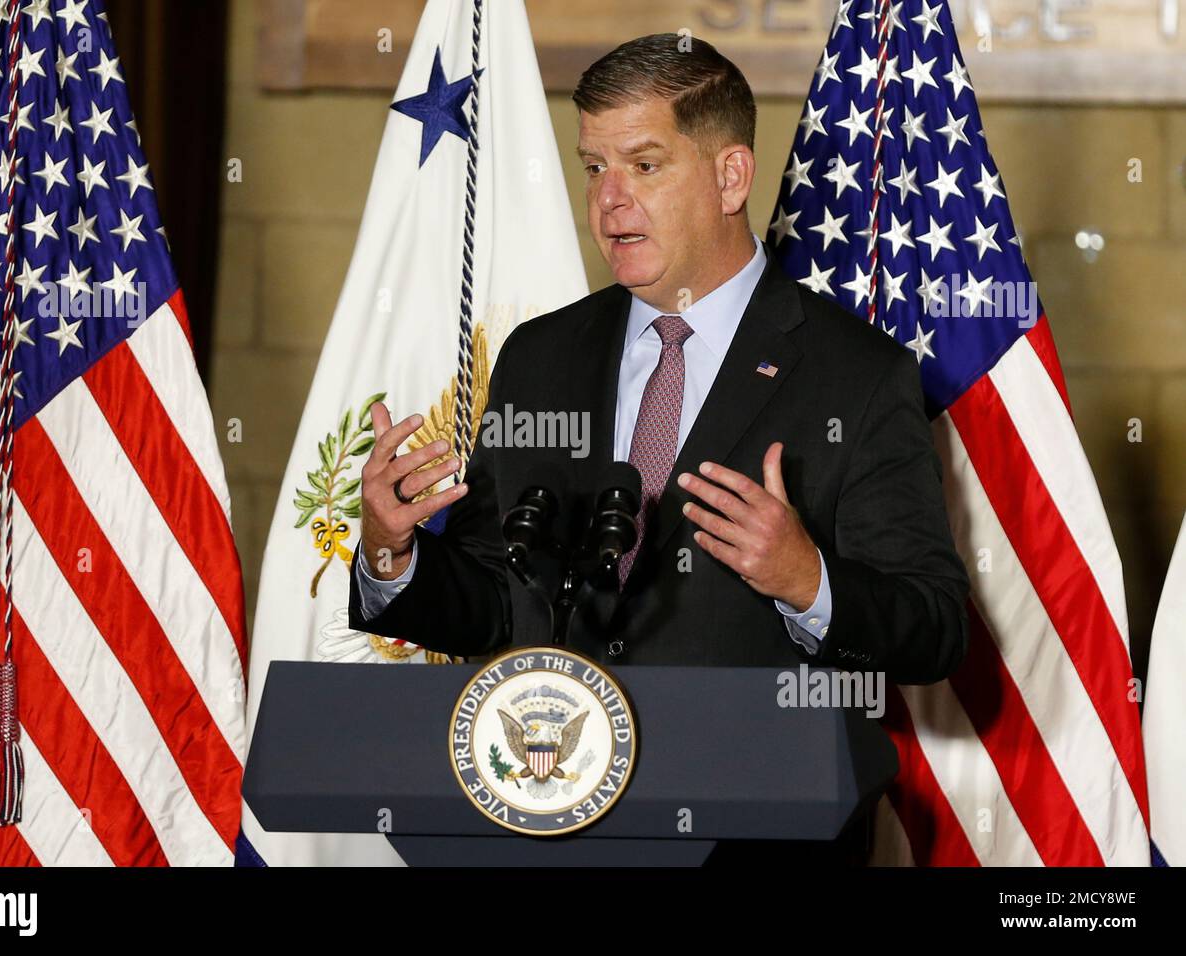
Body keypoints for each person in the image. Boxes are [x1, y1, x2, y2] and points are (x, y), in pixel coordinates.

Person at [348, 33, 968, 686]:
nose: (609, 199)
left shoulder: (858, 375)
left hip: (755, 777)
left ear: (730, 178)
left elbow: (935, 632)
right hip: (560, 767)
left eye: (644, 166)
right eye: (594, 167)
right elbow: (500, 598)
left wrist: (806, 579)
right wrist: (393, 553)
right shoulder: (540, 356)